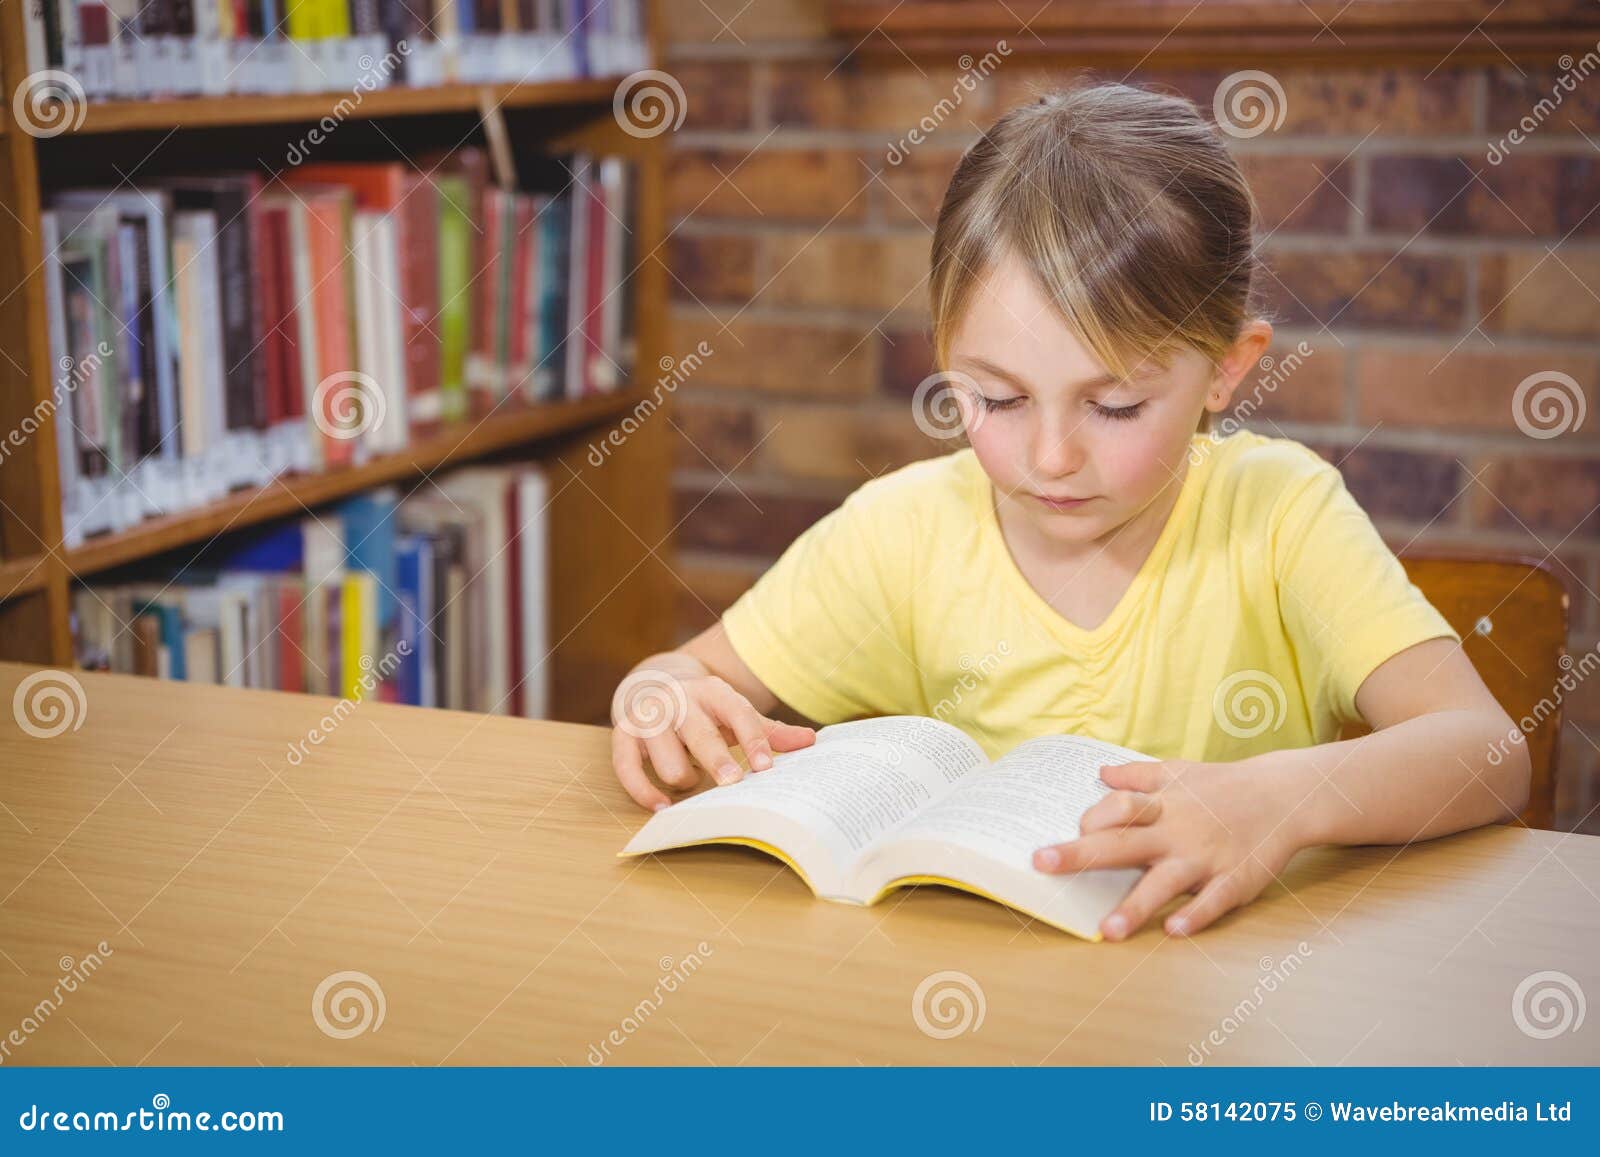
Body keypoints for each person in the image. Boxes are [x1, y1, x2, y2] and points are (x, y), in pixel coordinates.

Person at [609, 83, 1529, 941]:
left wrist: (1278, 800)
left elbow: (1488, 751)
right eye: (997, 399)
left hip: (1221, 1003)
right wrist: (659, 704)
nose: (1049, 458)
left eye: (1116, 406)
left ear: (1227, 367)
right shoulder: (903, 530)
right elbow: (679, 672)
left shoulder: (1278, 513)